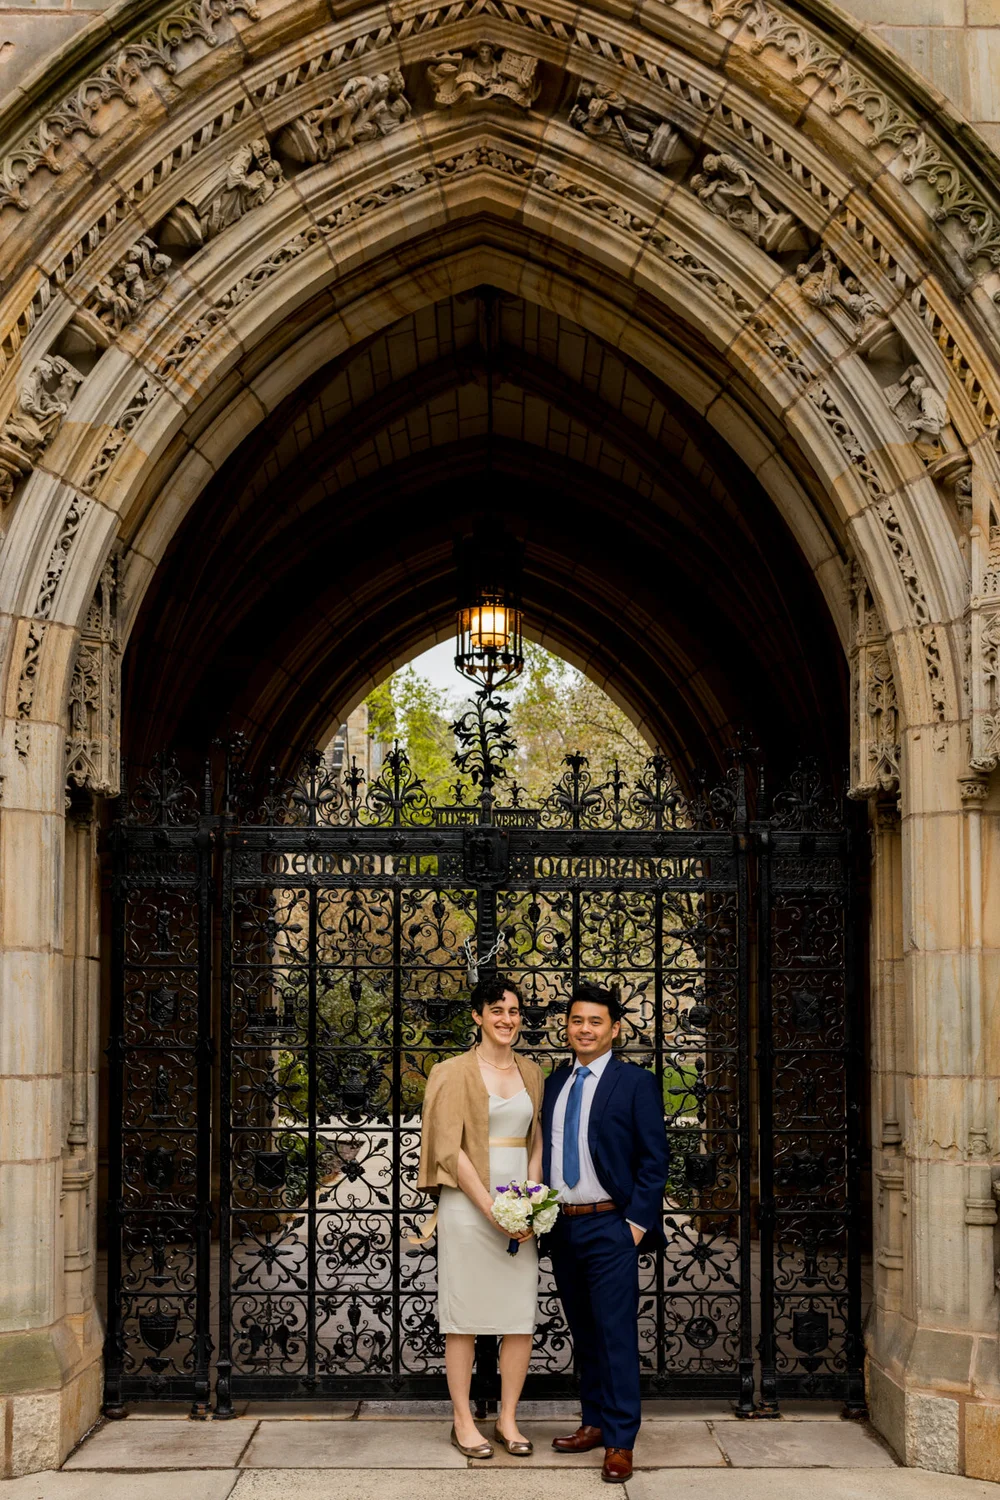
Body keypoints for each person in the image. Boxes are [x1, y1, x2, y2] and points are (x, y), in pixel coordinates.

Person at [542, 982, 670, 1484]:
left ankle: (620, 1440)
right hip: (564, 1225)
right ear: (567, 1026)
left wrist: (635, 1225)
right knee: (585, 1331)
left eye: (595, 1022)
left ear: (614, 1029)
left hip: (611, 1225)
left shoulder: (635, 1082)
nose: (584, 1029)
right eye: (577, 1021)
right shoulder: (555, 1083)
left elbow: (654, 1160)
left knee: (615, 1334)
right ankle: (593, 1422)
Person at [418, 975, 544, 1459]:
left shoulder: (532, 1072)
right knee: (463, 1319)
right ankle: (463, 1420)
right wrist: (492, 1209)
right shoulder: (450, 1072)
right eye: (497, 1010)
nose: (507, 1019)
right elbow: (449, 1149)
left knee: (518, 1317)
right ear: (477, 1017)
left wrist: (531, 1200)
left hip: (520, 1211)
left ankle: (508, 1419)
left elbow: (536, 1141)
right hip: (470, 1208)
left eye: (513, 1011)